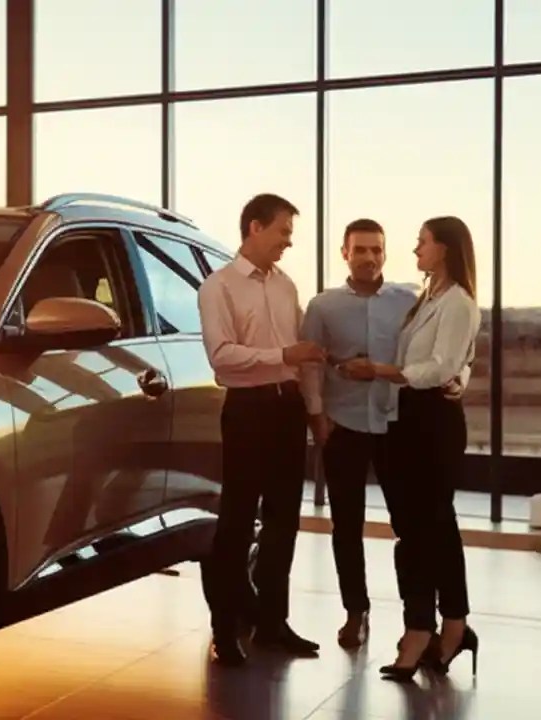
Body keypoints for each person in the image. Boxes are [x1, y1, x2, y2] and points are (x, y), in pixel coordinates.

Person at [300, 219, 468, 650]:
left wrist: (461, 376)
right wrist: (317, 416)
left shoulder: (411, 299)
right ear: (344, 253)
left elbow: (450, 352)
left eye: (377, 249)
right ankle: (356, 612)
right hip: (345, 426)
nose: (370, 258)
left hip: (398, 428)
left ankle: (421, 621)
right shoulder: (322, 307)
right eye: (360, 250)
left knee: (411, 527)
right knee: (346, 526)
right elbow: (310, 365)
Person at [338, 216, 481, 681]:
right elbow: (460, 361)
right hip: (406, 422)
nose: (414, 248)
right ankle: (419, 624)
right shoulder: (425, 299)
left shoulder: (457, 301)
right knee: (411, 532)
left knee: (435, 527)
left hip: (433, 424)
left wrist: (379, 371)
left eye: (422, 241)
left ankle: (452, 624)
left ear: (444, 248)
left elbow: (442, 366)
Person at [198, 193, 325, 666]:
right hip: (247, 410)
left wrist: (315, 413)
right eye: (283, 232)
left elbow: (304, 356)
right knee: (236, 523)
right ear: (255, 227)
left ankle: (272, 624)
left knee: (283, 523)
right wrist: (282, 357)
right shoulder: (218, 287)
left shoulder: (287, 286)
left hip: (287, 410)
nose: (288, 242)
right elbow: (221, 356)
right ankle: (225, 630)